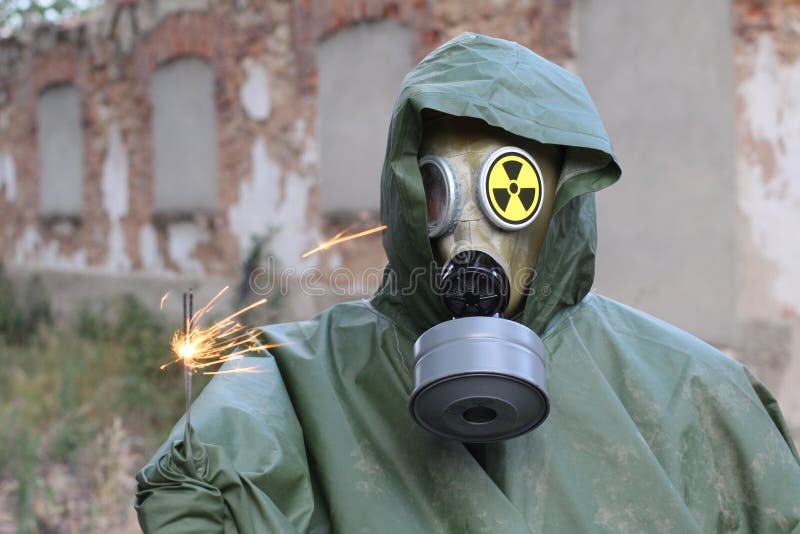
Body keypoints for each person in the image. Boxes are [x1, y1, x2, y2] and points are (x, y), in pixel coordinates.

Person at [135, 33, 800, 533]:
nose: (469, 237)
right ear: (402, 195)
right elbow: (207, 485)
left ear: (563, 201)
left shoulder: (699, 397)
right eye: (437, 191)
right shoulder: (296, 382)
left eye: (510, 190)